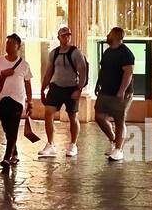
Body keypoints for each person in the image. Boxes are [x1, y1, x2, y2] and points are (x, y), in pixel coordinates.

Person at [39, 25, 87, 158]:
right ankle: (50, 144)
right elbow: (49, 72)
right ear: (58, 38)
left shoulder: (76, 52)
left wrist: (79, 89)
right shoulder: (54, 53)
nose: (66, 37)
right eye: (63, 35)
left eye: (68, 35)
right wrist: (43, 88)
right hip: (56, 87)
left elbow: (83, 71)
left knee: (73, 116)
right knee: (49, 113)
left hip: (72, 87)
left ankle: (73, 144)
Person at [0, 33, 33, 171]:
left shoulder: (24, 65)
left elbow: (28, 84)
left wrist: (29, 102)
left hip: (17, 101)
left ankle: (6, 158)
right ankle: (14, 152)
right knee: (7, 129)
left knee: (13, 128)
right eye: (7, 43)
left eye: (11, 43)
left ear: (18, 46)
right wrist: (2, 74)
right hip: (3, 100)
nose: (8, 45)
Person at [95, 26, 135, 162]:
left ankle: (118, 149)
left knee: (119, 120)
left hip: (120, 93)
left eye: (110, 34)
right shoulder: (107, 52)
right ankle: (113, 140)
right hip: (105, 90)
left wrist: (122, 90)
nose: (107, 35)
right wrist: (98, 83)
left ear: (117, 36)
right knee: (99, 116)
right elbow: (103, 69)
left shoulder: (125, 53)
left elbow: (128, 72)